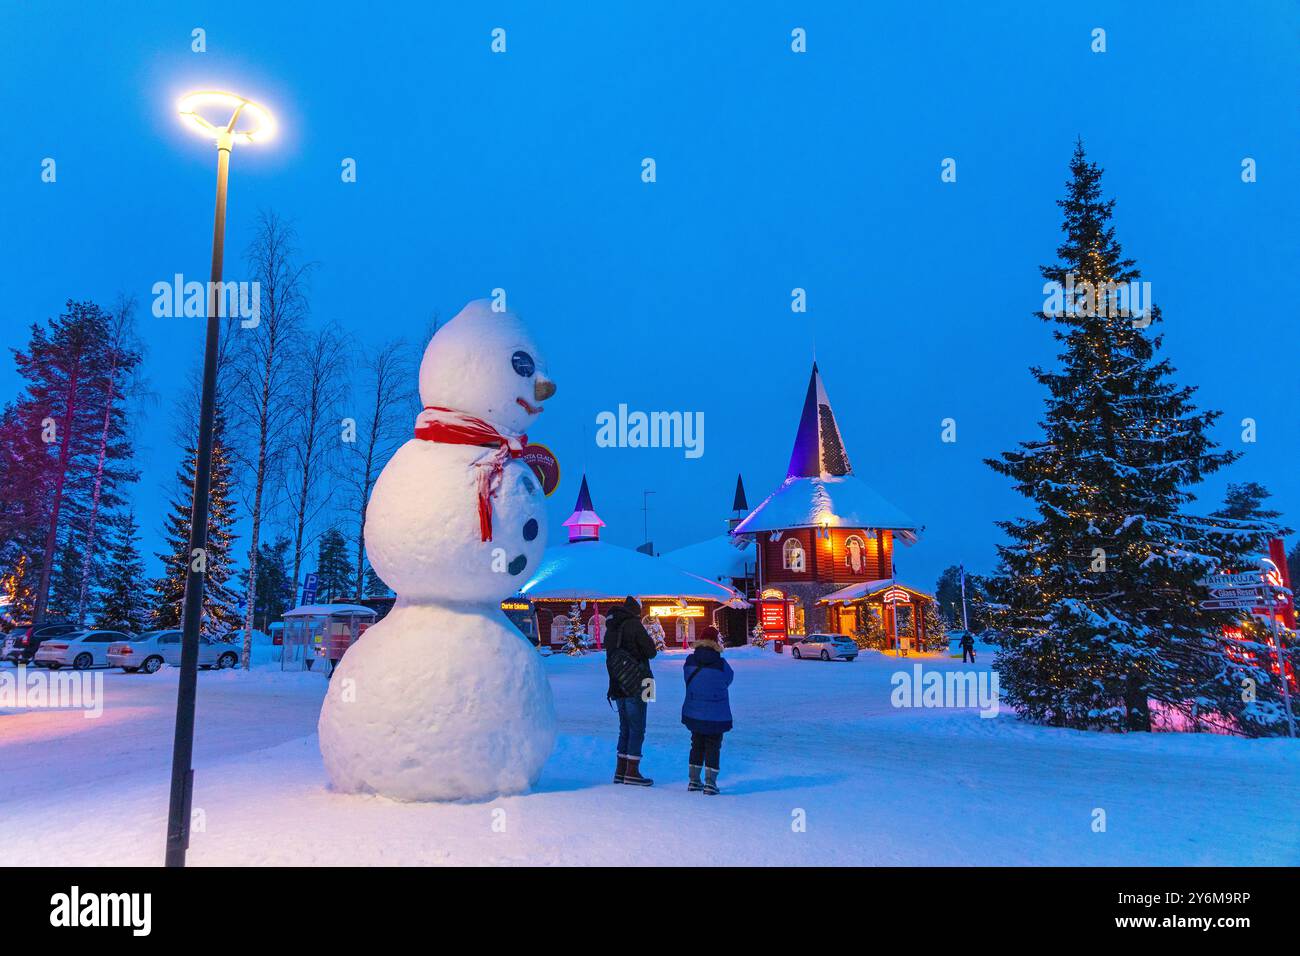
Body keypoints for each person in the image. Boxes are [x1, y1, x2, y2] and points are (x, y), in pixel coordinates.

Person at [604, 595, 657, 786]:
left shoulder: (611, 628)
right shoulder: (634, 625)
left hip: (617, 684)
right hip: (637, 683)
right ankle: (632, 772)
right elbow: (651, 651)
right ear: (636, 610)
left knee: (624, 727)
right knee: (637, 727)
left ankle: (621, 771)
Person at [681, 624, 733, 796]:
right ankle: (710, 783)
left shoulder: (690, 661)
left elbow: (687, 679)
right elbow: (728, 679)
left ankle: (694, 781)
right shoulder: (721, 663)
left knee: (696, 743)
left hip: (694, 710)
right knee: (713, 746)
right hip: (716, 714)